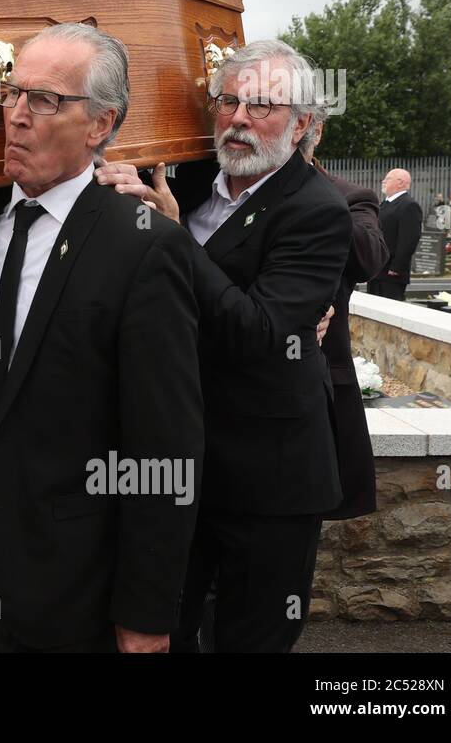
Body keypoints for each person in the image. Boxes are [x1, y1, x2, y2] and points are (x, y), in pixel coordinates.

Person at [0, 22, 203, 653]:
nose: (16, 116)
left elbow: (166, 442)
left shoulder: (142, 246)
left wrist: (147, 615)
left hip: (77, 574)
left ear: (100, 125)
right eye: (11, 93)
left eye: (44, 100)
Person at [97, 38, 350, 652]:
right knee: (157, 630)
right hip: (174, 466)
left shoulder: (316, 211)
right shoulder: (177, 176)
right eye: (227, 101)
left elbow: (258, 333)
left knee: (250, 639)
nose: (239, 119)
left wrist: (170, 234)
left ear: (302, 126)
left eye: (261, 106)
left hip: (268, 480)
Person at [303, 125, 389, 519]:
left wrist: (309, 192)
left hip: (318, 391)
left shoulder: (349, 197)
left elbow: (369, 260)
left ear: (313, 130)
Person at [368, 169, 422, 301]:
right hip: (377, 269)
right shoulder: (385, 204)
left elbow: (409, 239)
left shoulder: (409, 205)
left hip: (391, 273)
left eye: (388, 179)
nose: (383, 181)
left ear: (400, 182)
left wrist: (397, 267)